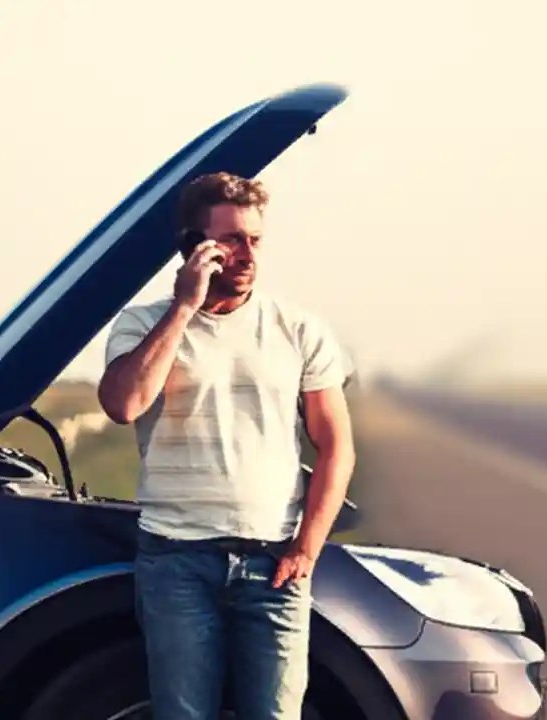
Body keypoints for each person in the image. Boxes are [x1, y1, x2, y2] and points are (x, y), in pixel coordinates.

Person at [97, 171, 357, 720]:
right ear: (194, 246)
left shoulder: (298, 328)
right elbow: (123, 405)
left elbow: (336, 445)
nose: (246, 254)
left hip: (275, 562)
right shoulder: (143, 324)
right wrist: (183, 308)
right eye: (232, 239)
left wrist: (306, 548)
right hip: (176, 560)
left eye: (255, 240)